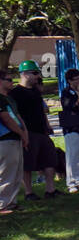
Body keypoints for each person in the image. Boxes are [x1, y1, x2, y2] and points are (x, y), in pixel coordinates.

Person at [10, 61, 59, 200]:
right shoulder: (15, 93)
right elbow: (15, 115)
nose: (38, 76)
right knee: (28, 163)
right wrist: (22, 132)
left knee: (50, 159)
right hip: (28, 132)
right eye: (35, 73)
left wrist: (47, 124)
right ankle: (28, 192)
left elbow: (41, 110)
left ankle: (50, 189)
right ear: (25, 74)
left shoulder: (36, 91)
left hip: (42, 131)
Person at [0, 70, 27, 215]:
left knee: (16, 172)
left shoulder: (9, 99)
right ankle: (2, 204)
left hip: (16, 137)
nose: (12, 82)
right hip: (4, 138)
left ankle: (12, 202)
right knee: (6, 172)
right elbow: (6, 118)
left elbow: (17, 116)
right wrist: (20, 132)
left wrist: (25, 133)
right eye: (8, 80)